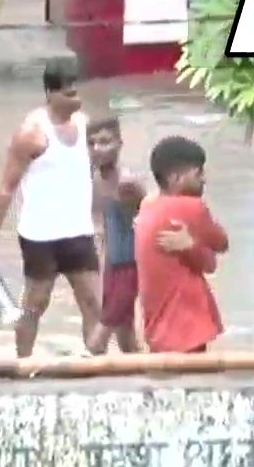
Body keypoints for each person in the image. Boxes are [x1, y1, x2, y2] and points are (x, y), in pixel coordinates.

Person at [0, 59, 105, 358]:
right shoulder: (31, 134)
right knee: (35, 305)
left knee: (93, 303)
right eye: (69, 94)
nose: (77, 99)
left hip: (78, 232)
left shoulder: (85, 126)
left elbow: (90, 177)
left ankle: (98, 365)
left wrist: (99, 220)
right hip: (41, 236)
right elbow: (6, 188)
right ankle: (22, 362)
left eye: (78, 93)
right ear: (51, 93)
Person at [135, 136, 230, 354]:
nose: (204, 179)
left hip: (159, 324)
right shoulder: (190, 208)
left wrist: (192, 247)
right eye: (198, 173)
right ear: (175, 178)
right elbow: (221, 243)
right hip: (184, 324)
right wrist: (196, 247)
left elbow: (208, 262)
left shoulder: (148, 206)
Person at [88, 116, 144, 354]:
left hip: (130, 266)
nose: (98, 149)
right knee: (125, 335)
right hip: (112, 265)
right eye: (92, 143)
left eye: (105, 141)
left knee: (97, 340)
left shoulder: (127, 183)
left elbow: (148, 222)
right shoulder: (94, 180)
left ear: (120, 144)